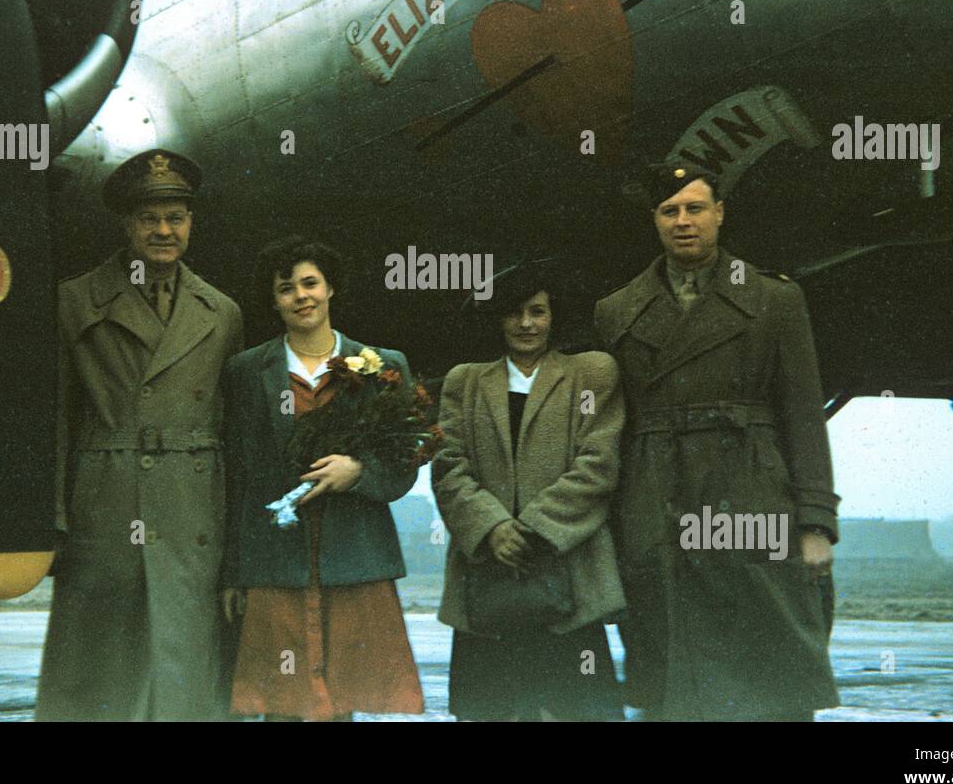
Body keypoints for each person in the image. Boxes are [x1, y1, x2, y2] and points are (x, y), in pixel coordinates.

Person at [593, 163, 840, 721]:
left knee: (768, 672)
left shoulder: (775, 299)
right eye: (669, 211)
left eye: (695, 208)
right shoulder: (615, 311)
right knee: (670, 674)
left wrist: (816, 523)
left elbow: (803, 415)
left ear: (720, 214)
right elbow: (609, 430)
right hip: (656, 502)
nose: (684, 222)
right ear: (655, 222)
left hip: (753, 496)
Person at [36, 148, 244, 721]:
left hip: (192, 512)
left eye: (175, 218)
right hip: (106, 508)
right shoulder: (75, 301)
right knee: (98, 674)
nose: (163, 230)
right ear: (126, 225)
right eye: (149, 218)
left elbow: (233, 433)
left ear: (191, 225)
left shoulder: (222, 313)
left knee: (185, 674)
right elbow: (55, 419)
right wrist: (53, 520)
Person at [220, 237, 424, 721]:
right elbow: (238, 477)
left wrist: (358, 472)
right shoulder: (247, 372)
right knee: (283, 702)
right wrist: (234, 572)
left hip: (353, 555)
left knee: (345, 699)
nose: (301, 296)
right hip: (277, 560)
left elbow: (406, 457)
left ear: (331, 288)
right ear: (274, 301)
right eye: (286, 288)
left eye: (310, 283)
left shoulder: (383, 366)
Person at [432, 264, 627, 721]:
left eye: (537, 312)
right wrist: (491, 527)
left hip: (571, 573)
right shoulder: (465, 381)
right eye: (513, 313)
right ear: (497, 320)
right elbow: (447, 464)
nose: (526, 324)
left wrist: (536, 528)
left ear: (554, 316)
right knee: (488, 711)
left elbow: (598, 462)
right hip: (486, 577)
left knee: (581, 710)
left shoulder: (592, 374)